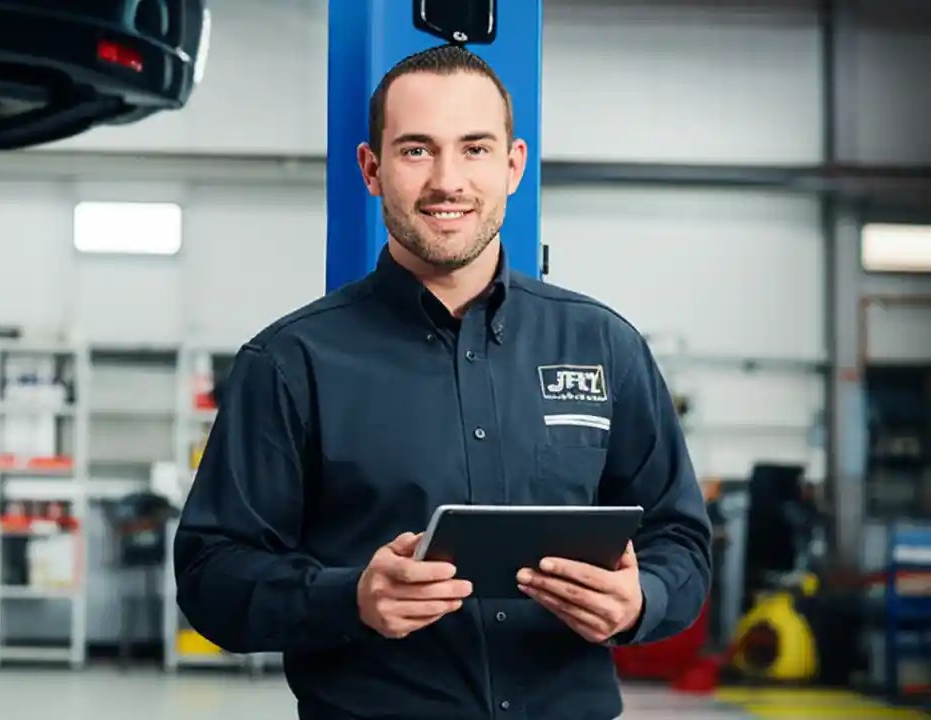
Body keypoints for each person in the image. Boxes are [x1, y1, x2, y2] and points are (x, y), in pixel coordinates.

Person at [173, 44, 712, 720]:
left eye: (475, 149)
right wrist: (351, 598)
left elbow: (682, 540)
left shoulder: (604, 347)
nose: (448, 180)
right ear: (371, 170)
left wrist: (642, 600)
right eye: (416, 150)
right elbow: (210, 574)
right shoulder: (291, 363)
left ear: (514, 165)